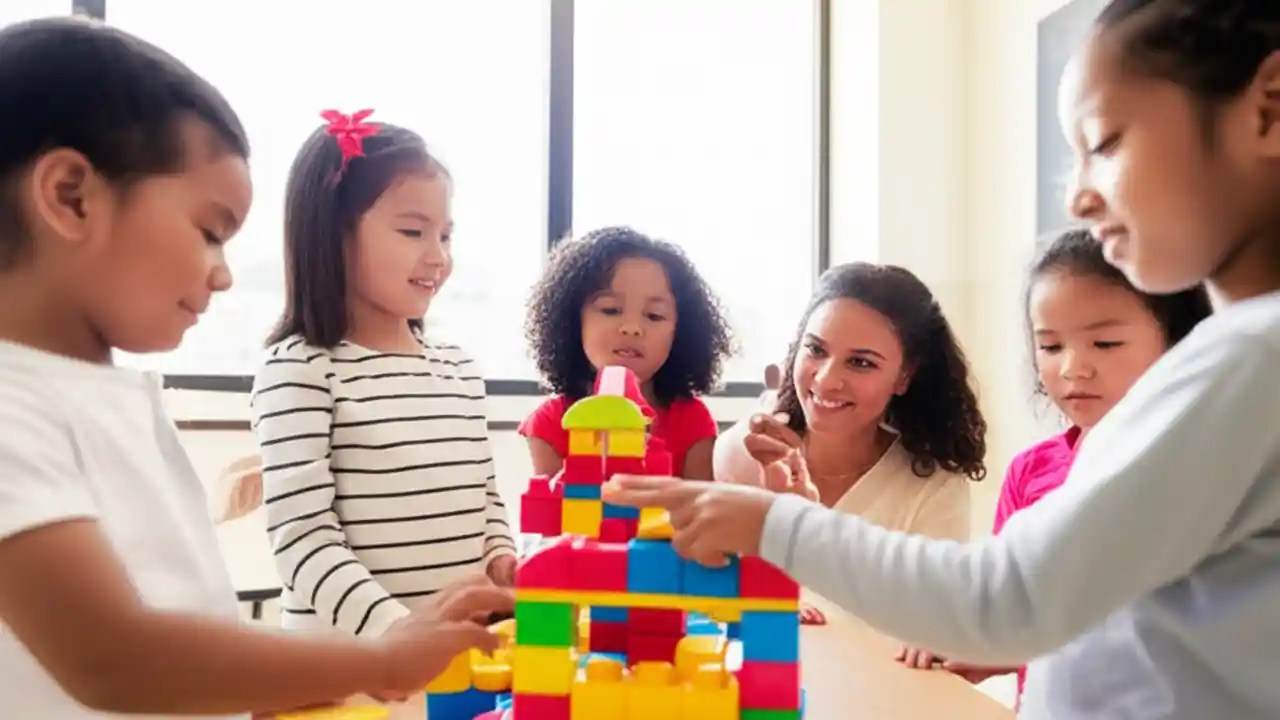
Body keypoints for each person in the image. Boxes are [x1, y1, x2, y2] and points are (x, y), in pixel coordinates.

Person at [606, 2, 1280, 716]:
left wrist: (768, 523)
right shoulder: (1226, 360)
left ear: (1268, 108)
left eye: (1106, 143)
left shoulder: (1252, 359)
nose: (1080, 197)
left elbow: (1002, 597)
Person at [0, 17, 509, 718]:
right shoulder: (12, 409)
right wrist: (386, 656)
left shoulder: (107, 398)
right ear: (71, 197)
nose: (223, 276)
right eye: (209, 233)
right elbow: (112, 657)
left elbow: (185, 618)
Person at [896, 229, 1212, 705]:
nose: (1072, 369)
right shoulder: (1031, 471)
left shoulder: (1204, 470)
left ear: (1174, 343)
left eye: (1105, 344)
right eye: (1050, 346)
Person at [252, 113, 517, 638]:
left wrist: (502, 562)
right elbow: (304, 543)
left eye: (445, 235)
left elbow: (484, 502)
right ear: (333, 233)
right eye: (413, 231)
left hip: (450, 664)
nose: (438, 256)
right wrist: (397, 636)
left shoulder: (459, 371)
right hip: (344, 674)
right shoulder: (301, 369)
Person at [716, 262, 987, 541]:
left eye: (860, 362)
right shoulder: (744, 454)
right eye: (816, 349)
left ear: (904, 376)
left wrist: (797, 524)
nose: (825, 380)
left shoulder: (933, 491)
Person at [521, 226, 732, 479]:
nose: (632, 328)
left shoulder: (693, 422)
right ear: (572, 321)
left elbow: (700, 512)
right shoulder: (549, 422)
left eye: (654, 316)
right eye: (610, 310)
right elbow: (546, 510)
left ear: (681, 332)